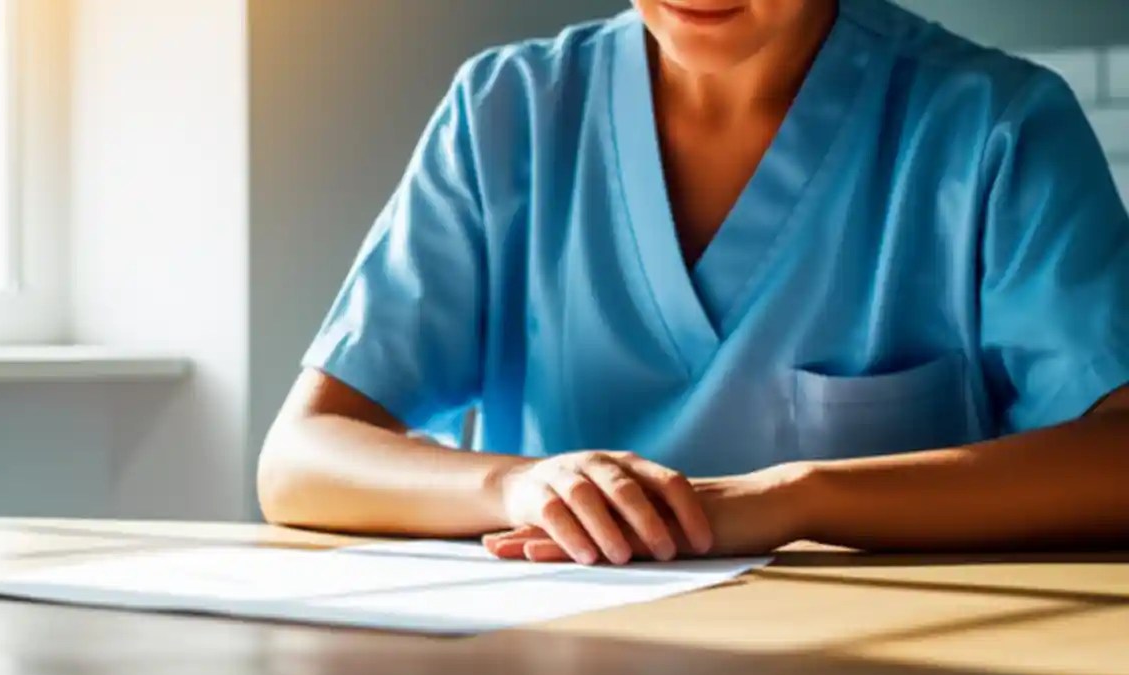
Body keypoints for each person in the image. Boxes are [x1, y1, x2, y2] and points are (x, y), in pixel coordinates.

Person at [257, 0, 1129, 565]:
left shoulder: (995, 125)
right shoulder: (506, 112)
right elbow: (301, 460)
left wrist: (794, 498)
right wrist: (518, 485)